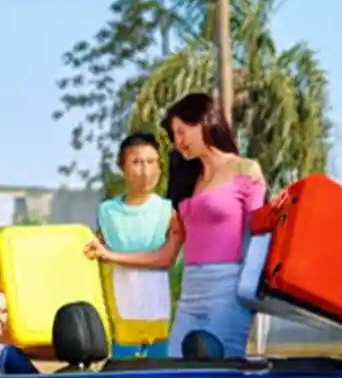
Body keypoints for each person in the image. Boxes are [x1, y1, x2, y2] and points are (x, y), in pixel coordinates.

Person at [85, 92, 265, 359]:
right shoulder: (187, 179)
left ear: (203, 122)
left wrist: (250, 292)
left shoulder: (245, 170)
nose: (178, 142)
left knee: (223, 367)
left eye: (182, 132)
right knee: (177, 366)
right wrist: (108, 253)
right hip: (192, 291)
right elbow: (166, 255)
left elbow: (259, 235)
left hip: (228, 289)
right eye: (174, 135)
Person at [95, 132, 174, 359]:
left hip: (157, 312)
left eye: (151, 162)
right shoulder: (107, 212)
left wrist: (112, 256)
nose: (145, 170)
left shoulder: (167, 211)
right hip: (121, 313)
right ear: (122, 167)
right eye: (137, 162)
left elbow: (165, 259)